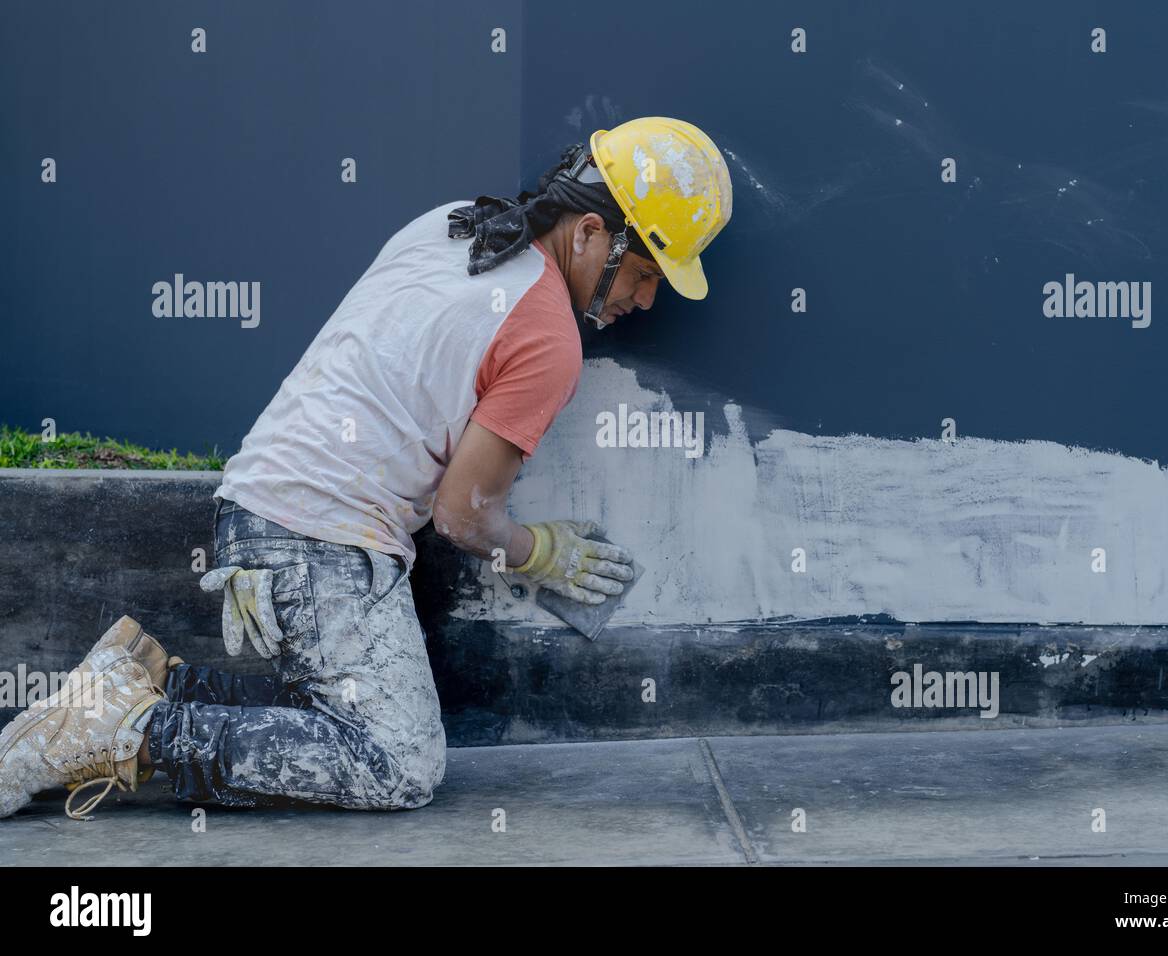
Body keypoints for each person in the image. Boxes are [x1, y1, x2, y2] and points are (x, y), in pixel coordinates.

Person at [0, 116, 733, 820]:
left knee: (338, 716)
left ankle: (146, 683)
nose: (646, 297)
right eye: (643, 271)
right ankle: (127, 731)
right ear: (590, 231)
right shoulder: (548, 338)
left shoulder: (457, 223)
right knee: (397, 759)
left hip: (259, 510)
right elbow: (462, 515)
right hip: (318, 539)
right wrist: (541, 552)